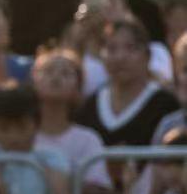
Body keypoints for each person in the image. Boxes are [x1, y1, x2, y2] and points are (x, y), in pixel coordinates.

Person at [76, 19, 182, 149]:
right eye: (111, 48)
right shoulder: (90, 107)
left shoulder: (166, 105)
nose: (120, 57)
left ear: (147, 56)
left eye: (131, 48)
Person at [31, 51, 109, 188]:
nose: (56, 77)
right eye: (48, 71)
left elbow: (96, 186)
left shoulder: (88, 140)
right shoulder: (19, 137)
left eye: (66, 73)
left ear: (78, 88)